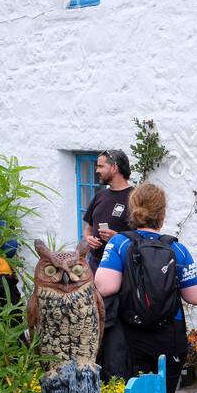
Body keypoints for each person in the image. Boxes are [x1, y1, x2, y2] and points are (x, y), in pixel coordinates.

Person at [93, 183, 197, 393]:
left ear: (132, 211)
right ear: (162, 215)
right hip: (169, 336)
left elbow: (105, 287)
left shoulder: (119, 243)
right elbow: (195, 296)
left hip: (131, 338)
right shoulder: (176, 248)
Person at [82, 149, 134, 379]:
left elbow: (139, 236)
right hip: (95, 266)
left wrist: (118, 238)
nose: (97, 170)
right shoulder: (100, 196)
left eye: (101, 166)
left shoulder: (134, 197)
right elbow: (87, 225)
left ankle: (117, 375)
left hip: (120, 272)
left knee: (116, 327)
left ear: (115, 168)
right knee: (95, 321)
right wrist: (88, 238)